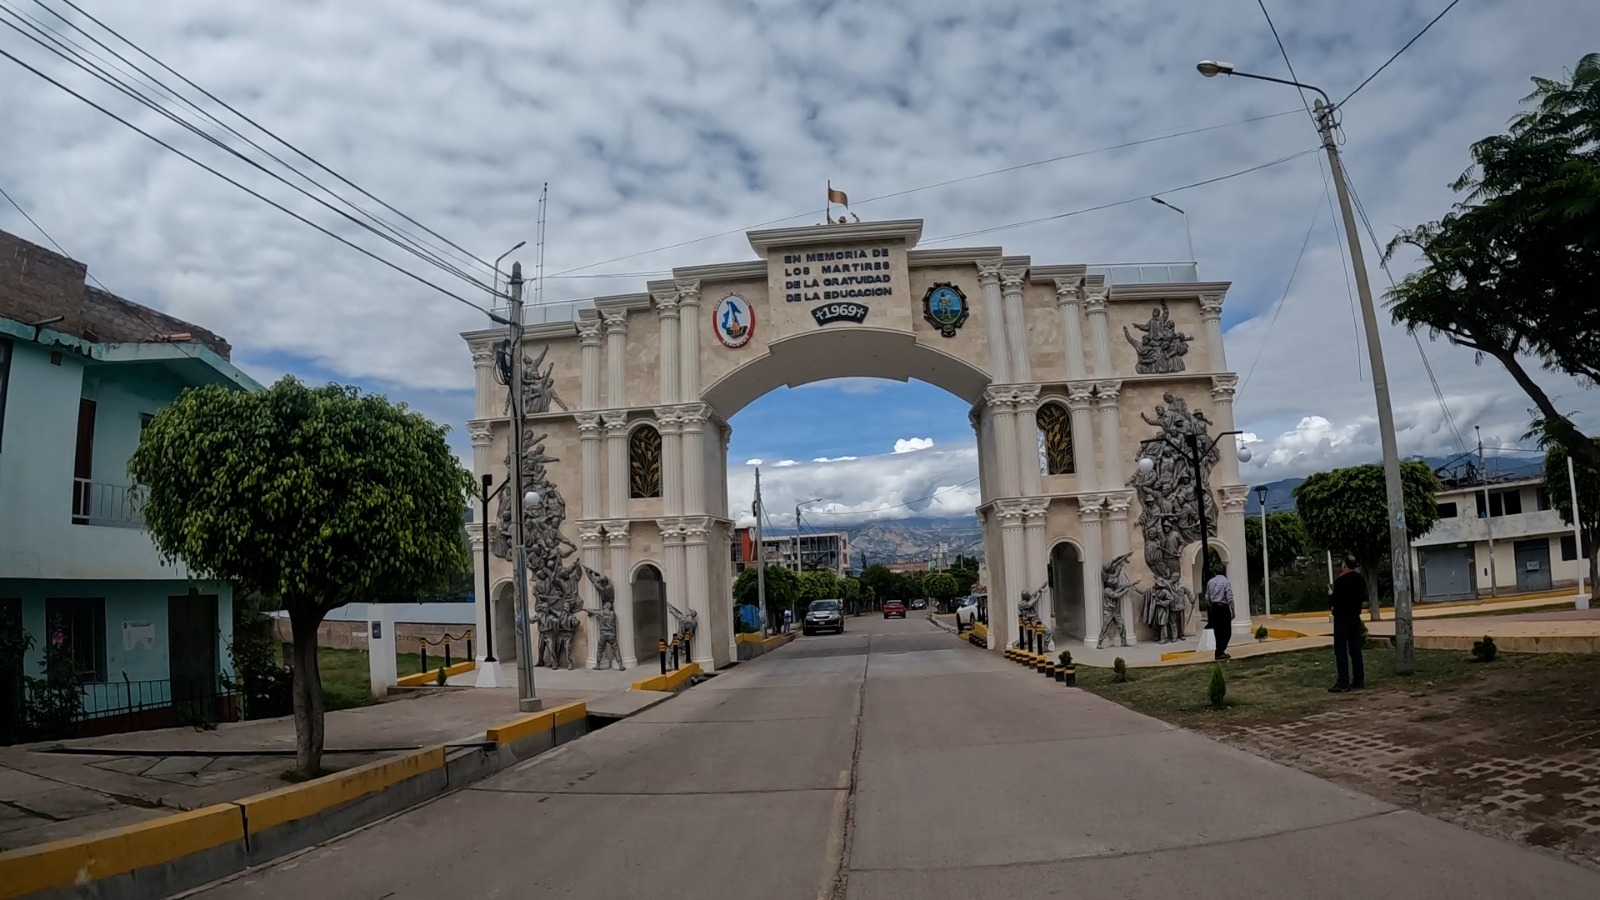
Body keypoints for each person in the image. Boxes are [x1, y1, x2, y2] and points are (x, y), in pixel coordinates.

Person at [1328, 554, 1367, 692]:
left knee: (1341, 650)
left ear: (1344, 566)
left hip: (1342, 618)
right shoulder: (1361, 580)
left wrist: (1330, 594)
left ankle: (1343, 681)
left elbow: (1334, 601)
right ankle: (1359, 679)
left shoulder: (1340, 581)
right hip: (1355, 618)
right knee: (1355, 649)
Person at [1204, 570, 1235, 660]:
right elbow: (1229, 597)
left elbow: (1207, 596)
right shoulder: (1226, 581)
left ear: (1215, 573)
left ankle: (1219, 651)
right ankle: (1220, 651)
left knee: (1217, 631)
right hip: (1223, 607)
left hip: (1214, 607)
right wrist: (1233, 610)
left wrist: (1211, 604)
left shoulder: (1210, 582)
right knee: (1227, 631)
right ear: (1224, 572)